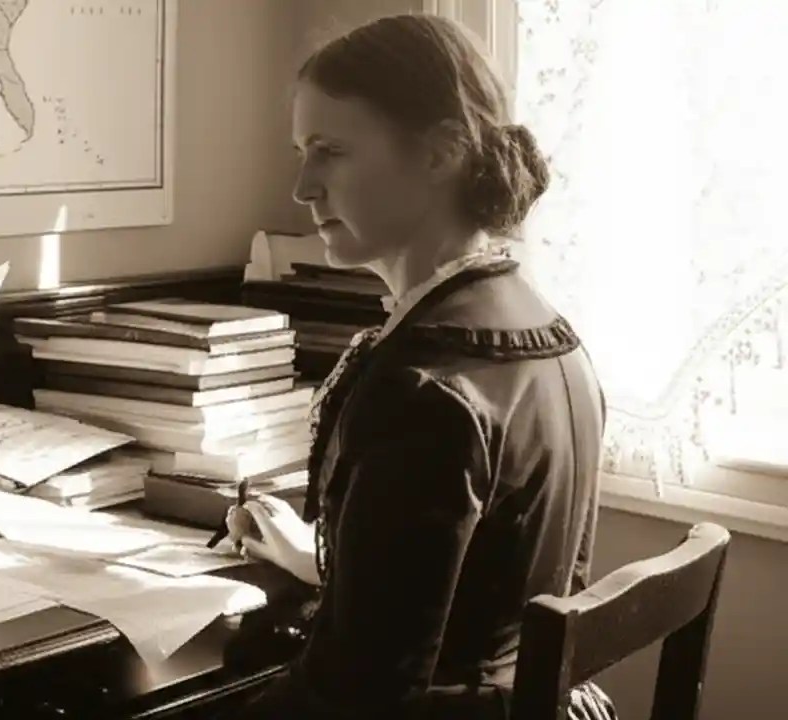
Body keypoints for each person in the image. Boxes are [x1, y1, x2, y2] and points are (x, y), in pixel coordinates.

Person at [221, 13, 617, 720]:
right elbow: (473, 592)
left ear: (440, 153)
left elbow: (356, 699)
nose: (302, 187)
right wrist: (322, 560)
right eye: (301, 152)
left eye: (330, 150)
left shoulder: (422, 390)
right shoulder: (549, 332)